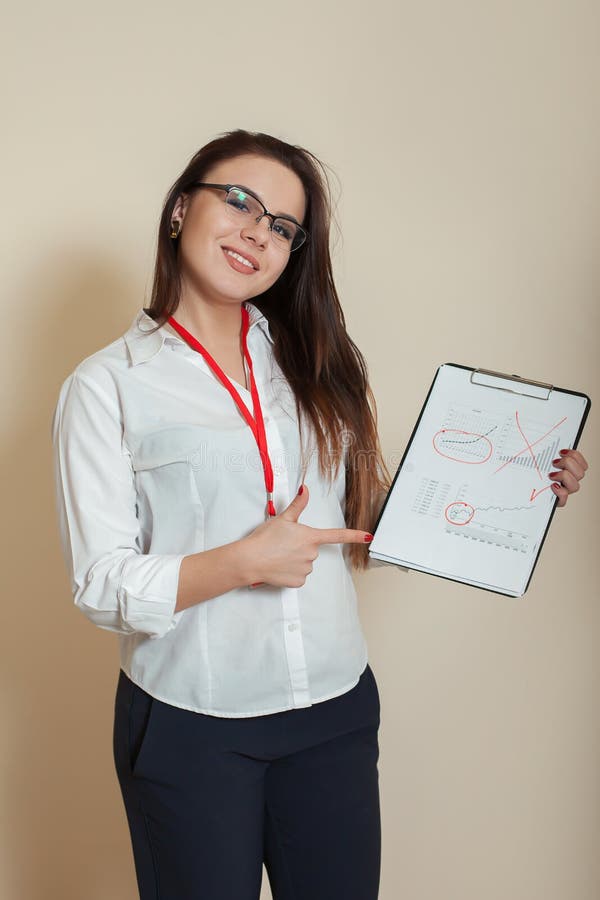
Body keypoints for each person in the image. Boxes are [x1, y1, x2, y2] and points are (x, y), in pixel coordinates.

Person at [51, 129, 589, 900]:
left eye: (281, 227)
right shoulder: (105, 386)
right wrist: (244, 561)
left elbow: (369, 518)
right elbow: (101, 585)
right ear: (179, 210)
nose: (256, 233)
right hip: (192, 725)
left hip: (333, 714)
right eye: (238, 201)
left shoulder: (315, 363)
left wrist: (521, 484)